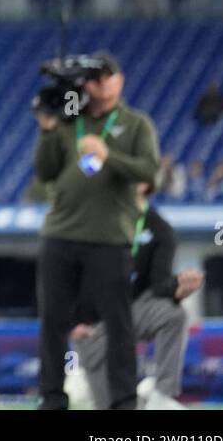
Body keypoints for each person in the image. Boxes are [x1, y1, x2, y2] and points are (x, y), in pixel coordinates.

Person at [33, 51, 160, 409]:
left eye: (106, 77)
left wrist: (108, 155)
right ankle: (53, 398)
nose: (99, 84)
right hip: (60, 234)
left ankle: (123, 401)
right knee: (53, 322)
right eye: (92, 78)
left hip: (109, 239)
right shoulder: (69, 121)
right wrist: (45, 130)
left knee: (119, 325)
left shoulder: (136, 124)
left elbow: (150, 172)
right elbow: (45, 172)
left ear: (119, 81)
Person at [71, 181, 204, 409]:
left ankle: (161, 394)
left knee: (174, 314)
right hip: (96, 323)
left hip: (133, 311)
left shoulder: (159, 228)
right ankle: (140, 397)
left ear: (143, 185)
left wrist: (177, 288)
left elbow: (159, 285)